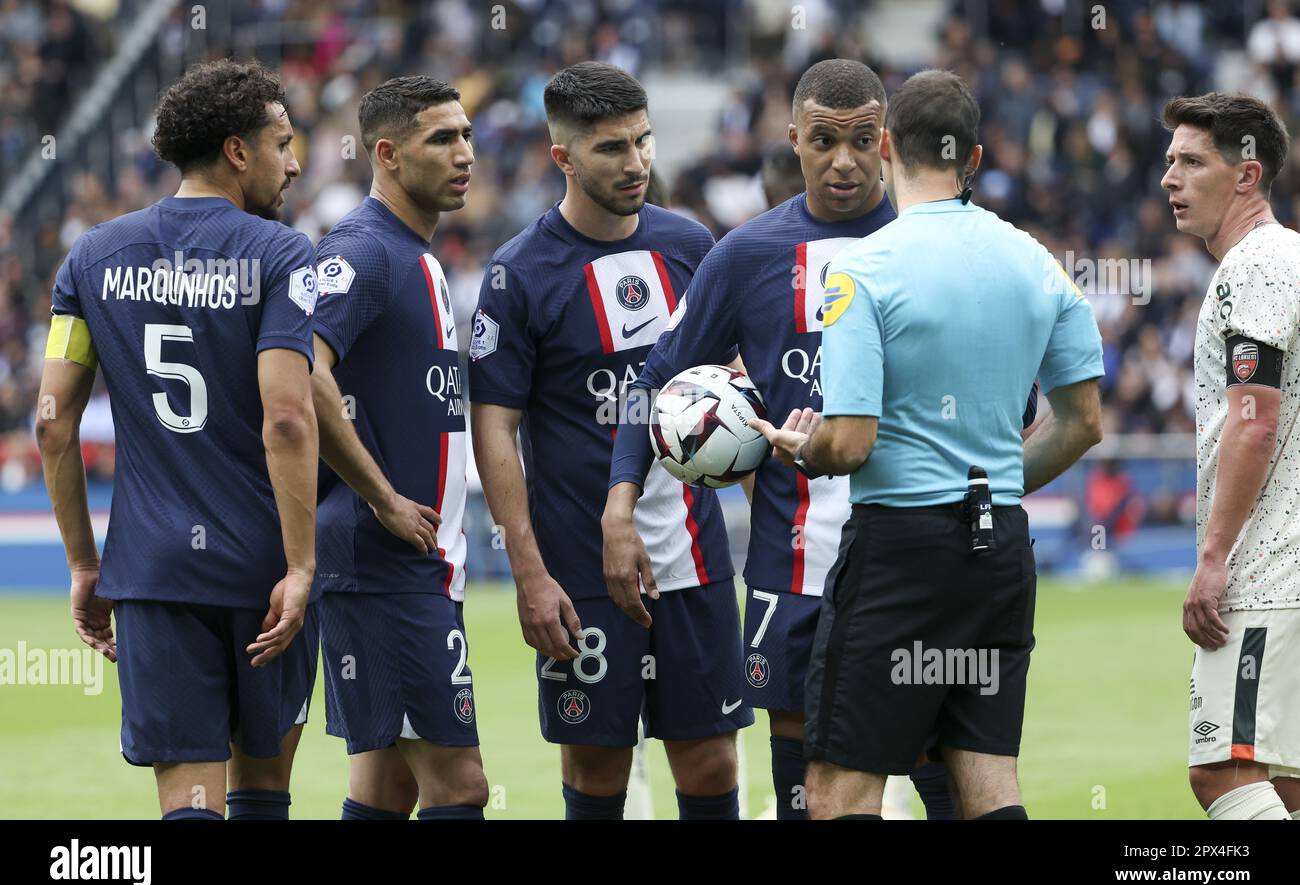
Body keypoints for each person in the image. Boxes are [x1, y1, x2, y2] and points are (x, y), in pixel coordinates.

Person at [605, 59, 1015, 820]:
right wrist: (619, 504)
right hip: (792, 569)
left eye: (863, 139)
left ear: (887, 142)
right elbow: (652, 378)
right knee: (808, 781)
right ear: (793, 139)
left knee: (941, 767)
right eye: (824, 140)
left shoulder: (936, 246)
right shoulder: (747, 255)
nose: (845, 159)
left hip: (916, 557)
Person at [751, 69, 1104, 820]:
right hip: (1000, 547)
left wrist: (800, 447)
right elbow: (1083, 421)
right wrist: (997, 479)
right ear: (973, 157)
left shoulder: (863, 269)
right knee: (986, 781)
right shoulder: (1037, 262)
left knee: (838, 788)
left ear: (883, 146)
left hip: (900, 552)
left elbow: (848, 443)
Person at [35, 59, 319, 820]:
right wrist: (300, 564)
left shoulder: (91, 258)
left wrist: (83, 562)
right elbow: (288, 417)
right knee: (262, 788)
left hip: (154, 572)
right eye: (282, 142)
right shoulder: (285, 256)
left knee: (189, 800)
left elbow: (52, 422)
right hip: (263, 568)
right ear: (237, 151)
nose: (294, 163)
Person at [470, 61, 752, 821]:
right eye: (611, 149)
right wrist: (528, 572)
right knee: (597, 766)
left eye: (643, 142)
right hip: (579, 569)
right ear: (562, 157)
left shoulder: (691, 245)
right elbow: (494, 429)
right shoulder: (519, 273)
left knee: (710, 756)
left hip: (692, 558)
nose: (635, 163)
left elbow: (732, 386)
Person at [310, 76, 489, 820]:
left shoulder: (418, 255)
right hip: (383, 567)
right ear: (386, 153)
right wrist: (382, 498)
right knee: (462, 784)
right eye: (442, 139)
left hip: (411, 566)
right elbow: (300, 369)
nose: (465, 154)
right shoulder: (365, 252)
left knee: (388, 786)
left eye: (467, 135)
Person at [1161, 90, 1300, 821]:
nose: (1169, 178)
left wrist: (1214, 557)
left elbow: (1255, 420)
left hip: (1268, 572)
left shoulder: (1259, 263)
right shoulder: (1287, 260)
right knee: (1284, 783)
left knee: (1222, 771)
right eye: (1169, 161)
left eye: (1190, 161)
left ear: (1246, 174)